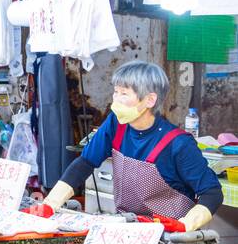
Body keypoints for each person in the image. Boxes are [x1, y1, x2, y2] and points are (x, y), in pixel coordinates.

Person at [40, 60, 220, 231]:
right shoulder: (115, 124)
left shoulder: (178, 143)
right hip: (128, 228)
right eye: (115, 92)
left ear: (150, 100)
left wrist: (184, 225)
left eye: (124, 93)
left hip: (172, 236)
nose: (115, 99)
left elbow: (212, 192)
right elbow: (85, 163)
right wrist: (50, 204)